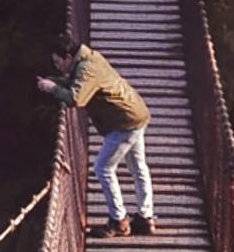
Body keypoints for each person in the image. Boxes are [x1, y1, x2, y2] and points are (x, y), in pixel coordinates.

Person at [37, 38, 157, 238]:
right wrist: (53, 81)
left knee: (103, 168)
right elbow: (77, 82)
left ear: (68, 57)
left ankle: (119, 220)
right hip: (135, 114)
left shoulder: (86, 68)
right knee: (138, 167)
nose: (58, 67)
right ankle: (146, 218)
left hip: (124, 123)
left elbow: (76, 98)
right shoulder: (89, 59)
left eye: (58, 63)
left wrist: (52, 89)